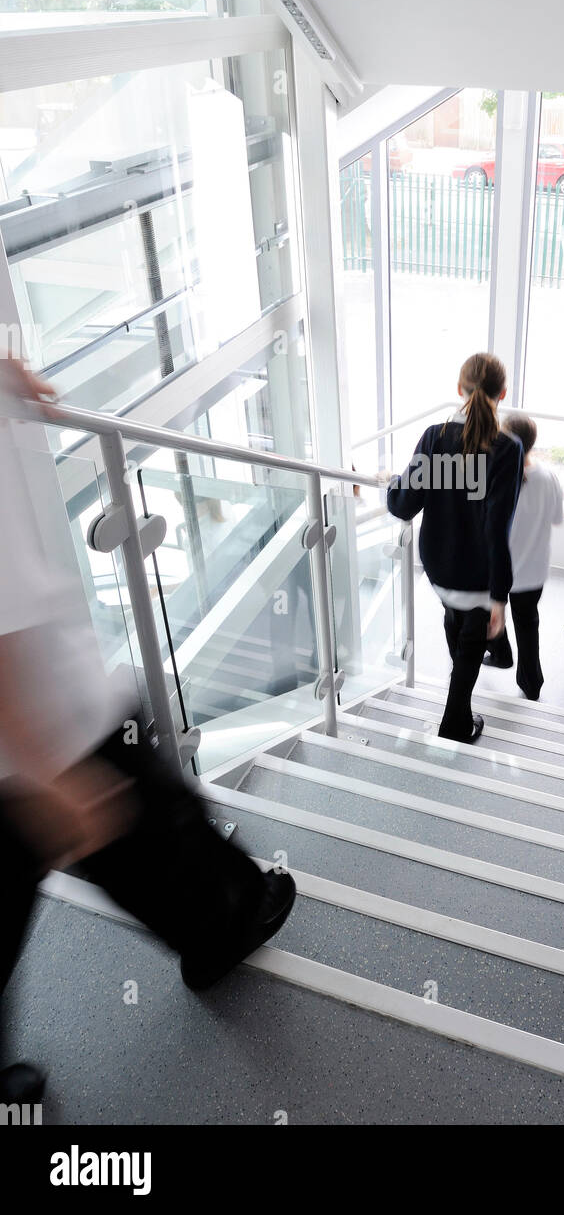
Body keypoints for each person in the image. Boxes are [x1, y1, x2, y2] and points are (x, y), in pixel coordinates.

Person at [0, 355, 296, 1106]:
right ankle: (229, 920)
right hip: (44, 727)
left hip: (34, 731)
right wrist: (47, 770)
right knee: (155, 819)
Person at [386, 353, 522, 743]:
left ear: (459, 390)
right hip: (479, 576)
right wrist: (500, 599)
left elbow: (403, 504)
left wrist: (392, 481)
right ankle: (455, 725)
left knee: (457, 622)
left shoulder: (434, 435)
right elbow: (497, 529)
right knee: (470, 643)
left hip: (440, 570)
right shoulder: (507, 449)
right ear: (504, 393)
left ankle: (457, 706)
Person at [484, 411, 563, 700]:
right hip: (534, 572)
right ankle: (531, 683)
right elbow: (556, 518)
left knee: (489, 616)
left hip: (500, 572)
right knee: (528, 625)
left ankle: (501, 653)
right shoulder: (548, 476)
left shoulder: (497, 477)